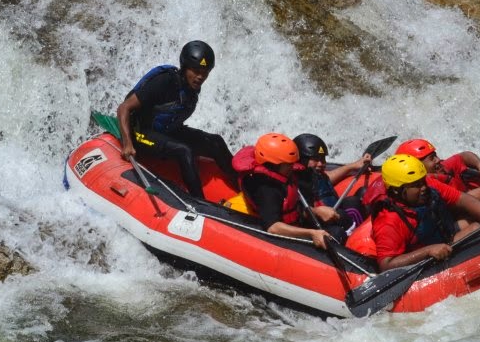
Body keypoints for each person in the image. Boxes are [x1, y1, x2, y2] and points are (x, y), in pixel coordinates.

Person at [116, 40, 236, 199]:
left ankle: (242, 187)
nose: (200, 76)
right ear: (185, 67)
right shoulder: (164, 81)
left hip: (166, 131)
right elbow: (124, 108)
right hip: (140, 132)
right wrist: (127, 143)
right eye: (196, 70)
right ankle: (200, 203)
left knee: (216, 142)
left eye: (205, 72)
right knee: (183, 150)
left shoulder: (191, 89)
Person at [371, 154, 480, 271]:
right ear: (397, 191)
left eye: (422, 181)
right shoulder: (389, 220)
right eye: (416, 185)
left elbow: (461, 198)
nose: (423, 188)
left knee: (477, 223)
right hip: (424, 261)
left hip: (445, 237)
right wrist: (427, 251)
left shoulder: (429, 186)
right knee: (475, 228)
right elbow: (386, 264)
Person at [233, 133, 329, 250]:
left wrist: (315, 212)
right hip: (278, 237)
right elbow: (273, 227)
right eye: (288, 164)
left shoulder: (284, 175)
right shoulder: (267, 189)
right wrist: (311, 233)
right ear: (273, 164)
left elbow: (295, 207)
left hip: (295, 222)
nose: (292, 167)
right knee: (335, 233)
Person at [292, 133, 371, 241]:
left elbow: (328, 177)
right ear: (301, 159)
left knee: (355, 201)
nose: (321, 163)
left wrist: (353, 166)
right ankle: (354, 244)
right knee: (337, 231)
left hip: (332, 214)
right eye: (315, 159)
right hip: (315, 224)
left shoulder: (315, 174)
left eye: (322, 159)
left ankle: (363, 237)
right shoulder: (295, 181)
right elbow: (299, 211)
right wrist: (317, 211)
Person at [395, 138, 480, 208]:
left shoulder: (441, 168)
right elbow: (468, 199)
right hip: (456, 219)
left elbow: (464, 156)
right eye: (432, 159)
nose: (438, 160)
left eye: (435, 155)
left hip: (469, 205)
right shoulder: (428, 185)